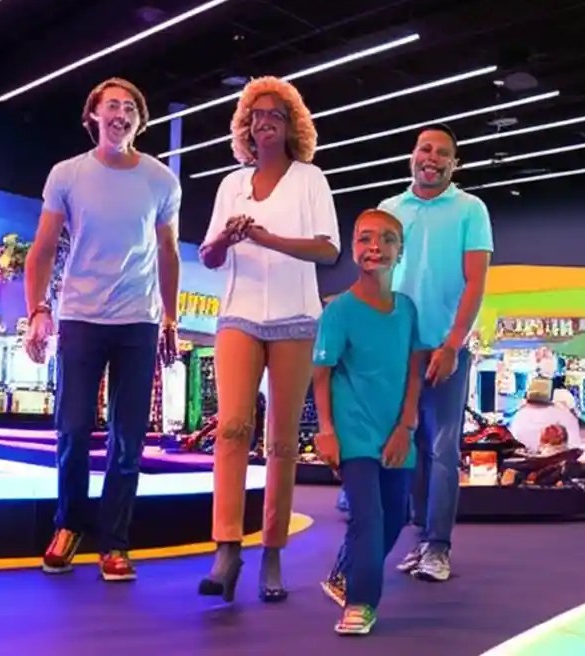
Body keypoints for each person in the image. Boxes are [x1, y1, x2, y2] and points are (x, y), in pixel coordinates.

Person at [322, 124, 492, 601]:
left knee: (442, 448)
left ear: (454, 164)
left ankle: (437, 545)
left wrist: (453, 344)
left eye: (442, 152)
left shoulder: (470, 210)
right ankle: (416, 537)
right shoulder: (391, 211)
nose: (431, 157)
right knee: (404, 449)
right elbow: (373, 275)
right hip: (393, 354)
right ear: (412, 156)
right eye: (424, 149)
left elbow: (475, 282)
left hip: (443, 348)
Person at [22, 77, 181, 582]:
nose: (121, 113)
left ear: (139, 119)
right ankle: (69, 524)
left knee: (128, 438)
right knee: (71, 429)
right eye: (111, 105)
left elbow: (168, 251)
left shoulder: (161, 180)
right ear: (93, 115)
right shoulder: (67, 175)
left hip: (138, 320)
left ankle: (115, 543)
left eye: (130, 106)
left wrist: (171, 316)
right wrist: (37, 311)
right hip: (80, 316)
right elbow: (44, 247)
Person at [198, 76, 339, 603]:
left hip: (295, 318)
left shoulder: (310, 180)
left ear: (291, 124)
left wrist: (264, 237)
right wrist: (225, 238)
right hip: (237, 314)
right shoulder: (231, 184)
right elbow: (210, 258)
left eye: (274, 114)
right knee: (232, 426)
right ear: (245, 127)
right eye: (255, 115)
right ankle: (226, 548)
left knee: (280, 439)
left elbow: (328, 251)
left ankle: (272, 553)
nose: (264, 122)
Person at [312, 208, 425, 636]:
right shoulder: (338, 311)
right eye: (364, 238)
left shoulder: (408, 310)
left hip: (396, 431)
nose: (374, 246)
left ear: (400, 252)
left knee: (396, 516)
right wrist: (326, 431)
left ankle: (346, 568)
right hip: (354, 432)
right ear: (353, 247)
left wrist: (406, 425)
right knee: (368, 516)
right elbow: (321, 373)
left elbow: (415, 367)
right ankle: (360, 601)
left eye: (386, 239)